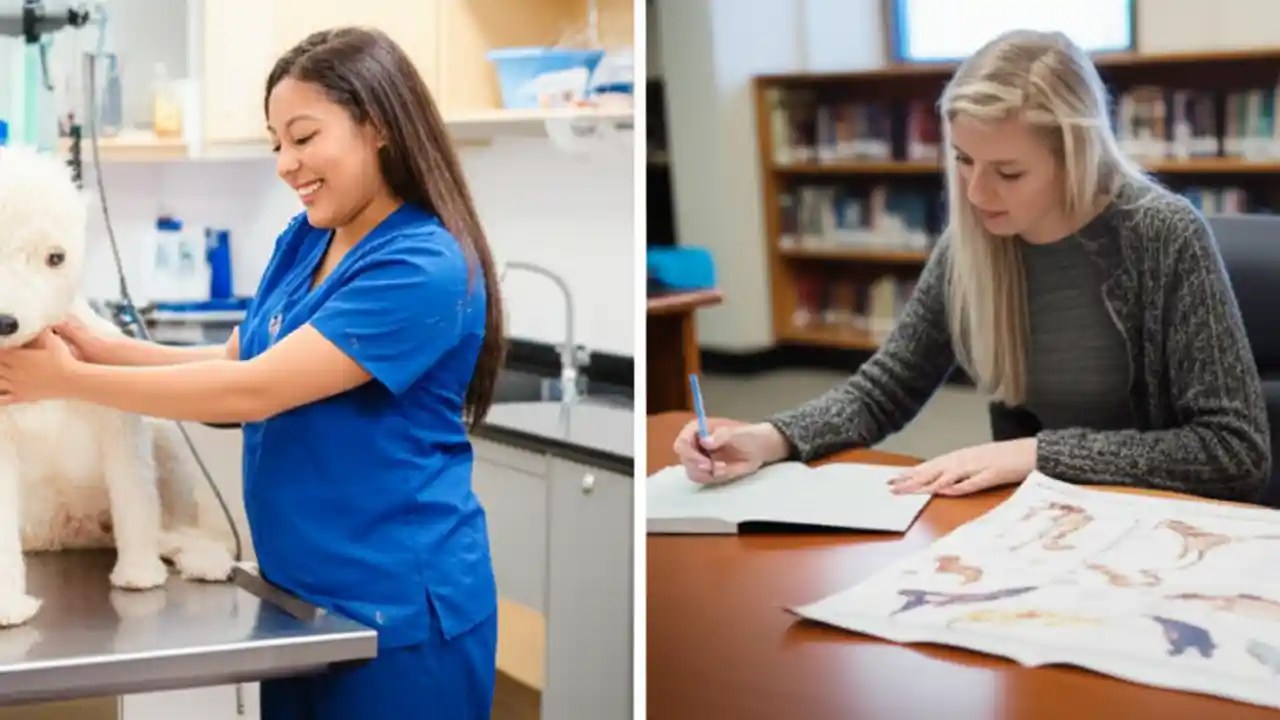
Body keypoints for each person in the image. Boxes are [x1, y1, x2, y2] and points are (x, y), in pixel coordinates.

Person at [0, 27, 505, 719]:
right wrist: (95, 345)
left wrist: (65, 380)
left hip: (399, 613)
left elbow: (253, 393)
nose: (285, 164)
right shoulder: (308, 239)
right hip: (299, 600)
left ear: (379, 125)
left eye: (303, 137)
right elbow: (237, 364)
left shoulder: (422, 265)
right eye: (276, 143)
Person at [675, 29, 1270, 504]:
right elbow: (883, 391)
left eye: (1008, 172)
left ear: (1076, 157)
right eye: (963, 160)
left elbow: (1234, 452)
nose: (978, 191)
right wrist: (769, 439)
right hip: (1043, 525)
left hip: (1158, 530)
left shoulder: (1163, 235)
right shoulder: (975, 240)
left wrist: (1038, 454)